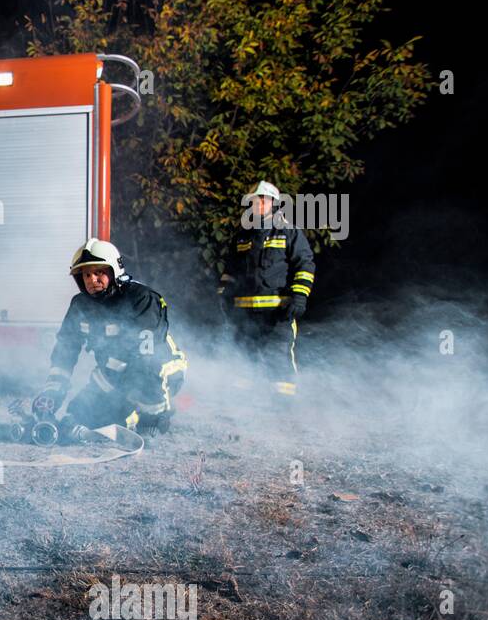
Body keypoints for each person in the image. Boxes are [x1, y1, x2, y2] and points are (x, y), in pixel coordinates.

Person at [34, 239, 187, 437]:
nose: (92, 280)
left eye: (99, 272)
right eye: (86, 274)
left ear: (115, 270)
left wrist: (116, 396)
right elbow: (66, 349)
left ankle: (153, 420)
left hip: (160, 368)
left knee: (141, 380)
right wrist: (53, 391)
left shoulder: (141, 298)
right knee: (77, 415)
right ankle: (123, 416)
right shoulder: (80, 305)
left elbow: (147, 355)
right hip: (112, 371)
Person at [219, 180, 316, 397]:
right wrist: (224, 295)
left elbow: (305, 264)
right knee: (243, 361)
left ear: (273, 203)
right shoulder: (243, 235)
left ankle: (285, 411)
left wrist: (300, 295)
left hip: (278, 313)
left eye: (263, 200)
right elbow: (230, 269)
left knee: (278, 359)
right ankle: (243, 411)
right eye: (255, 200)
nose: (259, 204)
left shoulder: (288, 232)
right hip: (244, 314)